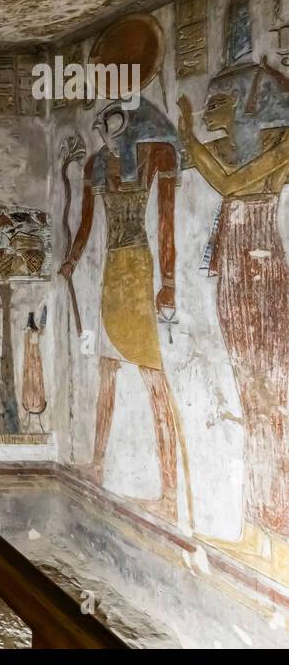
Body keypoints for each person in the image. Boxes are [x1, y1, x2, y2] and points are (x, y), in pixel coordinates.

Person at [61, 99, 191, 524]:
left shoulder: (156, 154)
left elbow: (166, 220)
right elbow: (84, 223)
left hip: (137, 265)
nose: (109, 132)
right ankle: (97, 463)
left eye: (117, 123)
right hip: (113, 270)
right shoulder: (97, 164)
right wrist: (72, 259)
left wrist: (168, 283)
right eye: (105, 125)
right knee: (107, 368)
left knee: (152, 374)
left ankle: (170, 491)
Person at [179, 59, 289, 559]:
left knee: (271, 402)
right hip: (234, 272)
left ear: (249, 103)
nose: (207, 110)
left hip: (261, 268)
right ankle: (256, 528)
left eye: (219, 102)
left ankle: (275, 528)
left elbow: (229, 184)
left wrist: (186, 135)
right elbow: (208, 168)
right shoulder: (229, 147)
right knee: (250, 399)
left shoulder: (279, 145)